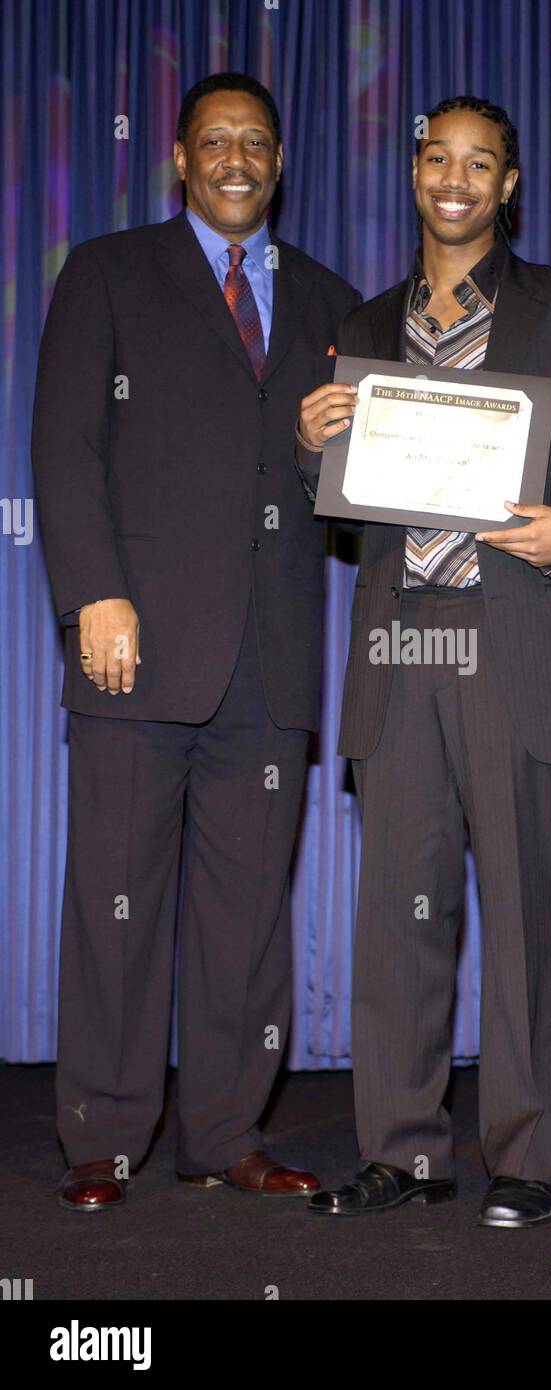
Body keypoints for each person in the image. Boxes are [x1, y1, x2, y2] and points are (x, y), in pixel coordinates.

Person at [31, 72, 360, 1211]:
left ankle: (228, 1132)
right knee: (115, 902)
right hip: (138, 644)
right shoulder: (110, 273)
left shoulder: (331, 301)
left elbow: (352, 495)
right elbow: (65, 447)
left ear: (279, 161)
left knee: (245, 917)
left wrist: (336, 451)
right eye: (214, 139)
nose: (235, 157)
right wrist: (96, 598)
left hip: (272, 662)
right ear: (179, 158)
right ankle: (103, 1138)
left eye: (255, 141)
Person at [295, 96, 551, 1228]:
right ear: (416, 170)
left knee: (525, 917)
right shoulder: (363, 324)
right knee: (397, 919)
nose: (456, 178)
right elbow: (342, 507)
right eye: (438, 156)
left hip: (513, 638)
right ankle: (402, 1150)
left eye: (481, 163)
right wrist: (312, 448)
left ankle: (525, 1155)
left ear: (509, 185)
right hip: (397, 646)